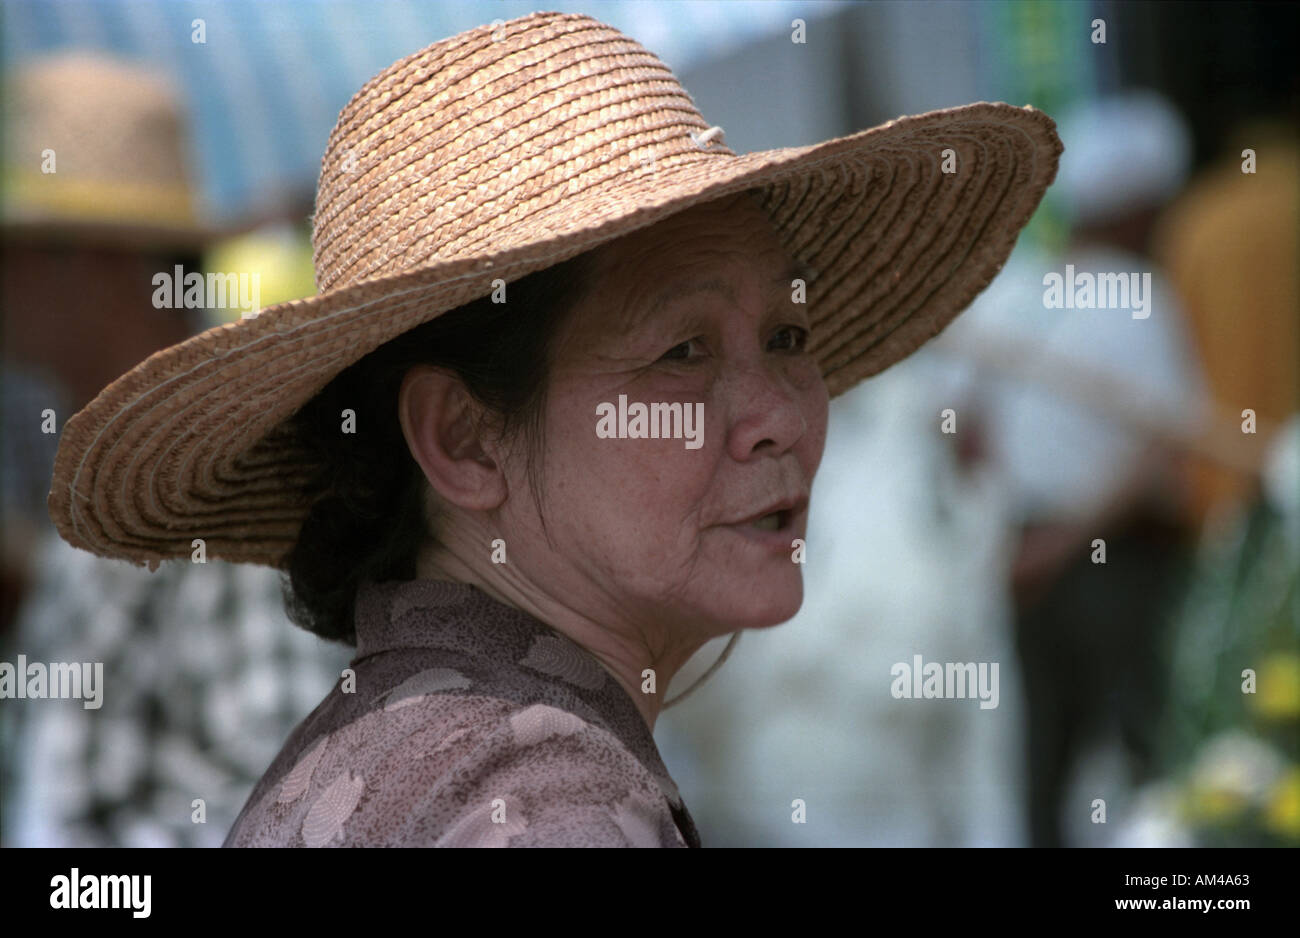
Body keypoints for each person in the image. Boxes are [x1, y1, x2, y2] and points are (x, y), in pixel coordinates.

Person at [45, 11, 1062, 847]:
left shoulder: (399, 736)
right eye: (681, 353)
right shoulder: (547, 809)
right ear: (465, 440)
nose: (779, 416)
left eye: (787, 334)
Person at [1, 52, 351, 847]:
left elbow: (278, 793)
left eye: (15, 249)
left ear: (95, 260)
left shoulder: (225, 475)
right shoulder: (95, 461)